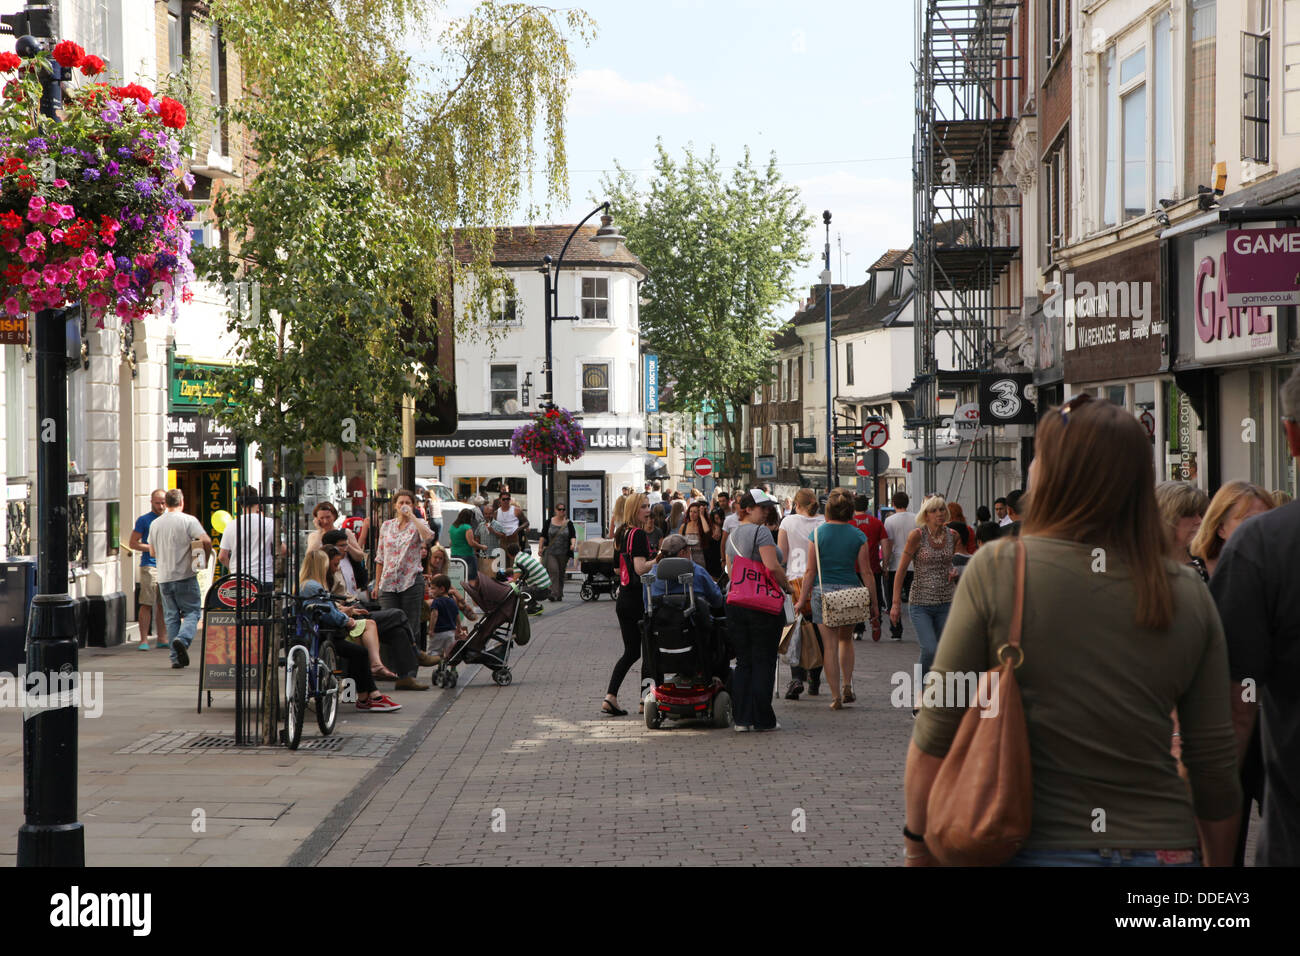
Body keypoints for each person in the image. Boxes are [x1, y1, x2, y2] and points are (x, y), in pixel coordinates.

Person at [905, 395, 1240, 867]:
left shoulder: (1002, 570)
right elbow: (1213, 760)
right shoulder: (1184, 590)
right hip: (1159, 845)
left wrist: (917, 847)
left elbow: (938, 728)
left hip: (1033, 843)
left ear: (1051, 474)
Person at [796, 488, 874, 711]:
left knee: (829, 646)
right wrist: (874, 602)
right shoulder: (858, 535)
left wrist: (802, 600)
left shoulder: (818, 534)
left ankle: (834, 696)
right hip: (850, 591)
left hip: (824, 593)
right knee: (846, 641)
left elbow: (810, 571)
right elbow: (867, 572)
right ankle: (848, 684)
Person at [299, 550, 400, 711]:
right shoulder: (313, 586)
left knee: (359, 648)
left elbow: (329, 607)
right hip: (322, 635)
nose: (334, 569)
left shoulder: (305, 585)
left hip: (321, 633)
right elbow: (328, 612)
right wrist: (347, 621)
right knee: (360, 651)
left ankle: (368, 695)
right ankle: (370, 695)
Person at [728, 490, 794, 731]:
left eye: (768, 507)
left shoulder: (732, 535)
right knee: (764, 660)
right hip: (762, 605)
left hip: (736, 603)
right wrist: (787, 586)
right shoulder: (761, 532)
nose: (766, 511)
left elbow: (730, 570)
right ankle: (763, 719)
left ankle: (742, 719)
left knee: (744, 662)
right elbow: (772, 566)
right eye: (762, 507)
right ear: (747, 508)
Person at [889, 495, 958, 694]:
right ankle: (921, 693)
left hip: (946, 601)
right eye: (934, 510)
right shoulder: (917, 535)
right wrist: (895, 604)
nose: (939, 514)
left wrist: (954, 572)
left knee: (942, 653)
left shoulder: (952, 535)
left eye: (942, 510)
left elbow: (955, 562)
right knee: (929, 648)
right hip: (920, 602)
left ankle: (936, 693)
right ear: (925, 515)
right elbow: (901, 570)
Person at [603, 493, 655, 717]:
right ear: (634, 510)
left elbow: (616, 568)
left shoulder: (621, 533)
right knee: (649, 653)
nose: (648, 510)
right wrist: (660, 558)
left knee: (631, 652)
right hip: (637, 600)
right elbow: (640, 568)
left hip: (623, 598)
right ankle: (645, 700)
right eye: (643, 507)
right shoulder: (639, 534)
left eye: (648, 506)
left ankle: (610, 697)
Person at [148, 489, 211, 669]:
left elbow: (152, 552)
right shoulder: (189, 520)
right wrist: (202, 558)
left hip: (164, 577)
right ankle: (182, 640)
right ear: (181, 502)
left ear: (166, 504)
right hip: (185, 575)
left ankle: (175, 658)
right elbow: (206, 541)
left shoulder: (155, 524)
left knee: (171, 617)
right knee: (193, 613)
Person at [373, 488, 436, 650]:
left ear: (414, 505)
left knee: (410, 624)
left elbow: (428, 537)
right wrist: (376, 584)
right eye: (401, 502)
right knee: (389, 624)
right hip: (388, 583)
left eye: (408, 502)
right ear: (395, 505)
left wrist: (413, 517)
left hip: (410, 581)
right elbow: (380, 557)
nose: (404, 505)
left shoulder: (418, 524)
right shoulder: (386, 526)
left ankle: (409, 666)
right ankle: (390, 666)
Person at [778, 488, 825, 698]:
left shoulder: (787, 522)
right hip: (818, 581)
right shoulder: (824, 522)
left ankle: (796, 677)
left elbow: (782, 555)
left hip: (794, 582)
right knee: (818, 631)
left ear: (796, 504)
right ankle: (815, 679)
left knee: (794, 631)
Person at [1188, 481, 1273, 582]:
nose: (1262, 529)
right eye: (1250, 521)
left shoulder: (1279, 572)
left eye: (1268, 520)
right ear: (1221, 528)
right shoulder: (1190, 578)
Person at [218, 487, 283, 588]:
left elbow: (222, 557)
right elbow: (282, 550)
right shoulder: (269, 523)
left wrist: (233, 569)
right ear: (258, 503)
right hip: (264, 579)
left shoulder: (231, 525)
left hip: (239, 579)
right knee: (264, 604)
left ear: (240, 504)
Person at [129, 489, 168, 651]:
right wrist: (151, 548)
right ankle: (143, 639)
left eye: (163, 502)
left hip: (167, 566)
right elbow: (133, 543)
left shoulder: (169, 520)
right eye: (158, 503)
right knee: (146, 603)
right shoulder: (144, 520)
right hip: (149, 566)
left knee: (163, 604)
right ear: (151, 502)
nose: (161, 506)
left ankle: (162, 638)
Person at [850, 493, 887, 641]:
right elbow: (884, 544)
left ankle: (858, 629)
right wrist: (885, 563)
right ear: (867, 507)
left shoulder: (849, 523)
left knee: (856, 600)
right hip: (873, 566)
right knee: (874, 595)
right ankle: (876, 620)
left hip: (853, 567)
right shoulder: (876, 523)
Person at [881, 492, 915, 642]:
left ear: (893, 503)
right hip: (913, 564)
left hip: (896, 563)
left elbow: (888, 544)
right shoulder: (916, 519)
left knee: (893, 598)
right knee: (914, 597)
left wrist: (886, 564)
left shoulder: (889, 521)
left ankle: (896, 629)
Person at [1157, 480, 1209, 567]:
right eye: (1189, 514)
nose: (1199, 521)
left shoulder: (1208, 562)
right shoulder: (1142, 568)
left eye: (1201, 514)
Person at [539, 503, 577, 601]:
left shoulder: (569, 523)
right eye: (560, 509)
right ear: (556, 510)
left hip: (564, 553)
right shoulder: (549, 522)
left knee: (561, 573)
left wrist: (572, 545)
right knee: (554, 572)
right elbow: (543, 536)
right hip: (551, 552)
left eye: (563, 509)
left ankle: (559, 593)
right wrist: (540, 548)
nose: (562, 511)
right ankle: (553, 593)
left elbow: (573, 536)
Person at [426, 574, 466, 663]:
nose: (430, 591)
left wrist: (431, 629)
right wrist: (458, 628)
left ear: (442, 589)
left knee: (434, 652)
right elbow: (457, 616)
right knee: (450, 653)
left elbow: (434, 615)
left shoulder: (436, 602)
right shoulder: (452, 601)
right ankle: (449, 669)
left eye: (433, 588)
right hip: (450, 633)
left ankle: (440, 665)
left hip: (438, 633)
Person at [513, 543, 551, 612]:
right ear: (519, 549)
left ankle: (532, 608)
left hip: (543, 591)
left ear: (509, 554)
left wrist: (505, 582)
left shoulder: (518, 561)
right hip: (547, 588)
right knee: (525, 586)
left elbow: (514, 580)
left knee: (520, 591)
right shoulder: (524, 555)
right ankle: (535, 606)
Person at [447, 507, 483, 582]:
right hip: (467, 555)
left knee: (458, 577)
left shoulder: (452, 527)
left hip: (454, 555)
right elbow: (471, 542)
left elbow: (450, 543)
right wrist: (482, 547)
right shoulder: (467, 527)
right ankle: (471, 593)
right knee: (471, 577)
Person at [681, 499, 714, 569]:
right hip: (687, 559)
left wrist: (702, 516)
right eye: (690, 511)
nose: (692, 514)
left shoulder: (702, 526)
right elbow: (679, 541)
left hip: (701, 559)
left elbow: (707, 531)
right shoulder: (684, 526)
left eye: (695, 512)